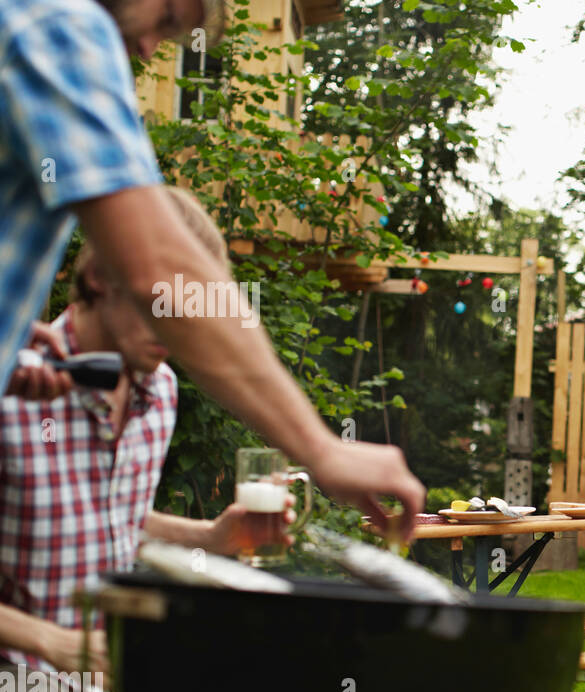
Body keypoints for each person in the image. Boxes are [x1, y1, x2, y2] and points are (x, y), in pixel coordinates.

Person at [0, 0, 424, 538]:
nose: (149, 49)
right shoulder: (59, 23)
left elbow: (112, 526)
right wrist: (320, 448)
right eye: (169, 20)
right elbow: (162, 274)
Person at [0, 186, 292, 692]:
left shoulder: (158, 394)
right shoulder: (16, 389)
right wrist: (49, 637)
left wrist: (211, 539)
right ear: (100, 277)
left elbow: (108, 526)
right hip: (14, 669)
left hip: (94, 675)